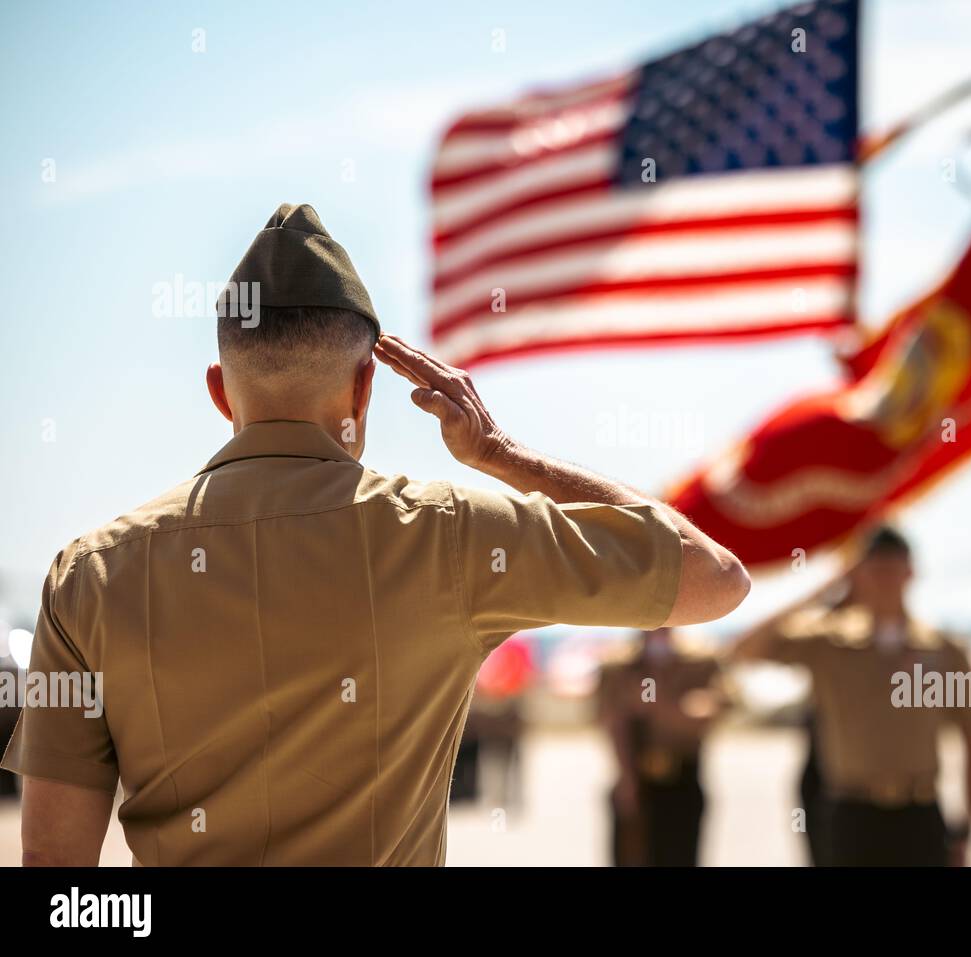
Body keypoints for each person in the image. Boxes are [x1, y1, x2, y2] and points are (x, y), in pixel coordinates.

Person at [0, 203, 749, 866]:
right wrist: (502, 454)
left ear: (220, 390)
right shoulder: (452, 536)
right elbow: (714, 577)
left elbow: (53, 858)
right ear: (365, 386)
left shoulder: (90, 574)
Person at [732, 526, 971, 866]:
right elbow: (745, 650)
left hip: (920, 816)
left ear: (910, 572)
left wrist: (967, 827)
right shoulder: (828, 644)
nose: (882, 579)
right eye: (872, 569)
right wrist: (822, 592)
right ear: (856, 574)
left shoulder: (943, 651)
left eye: (891, 568)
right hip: (851, 817)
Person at [598, 627, 726, 866]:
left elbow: (708, 713)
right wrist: (627, 779)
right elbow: (610, 721)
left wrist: (656, 705)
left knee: (679, 855)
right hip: (635, 778)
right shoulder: (618, 663)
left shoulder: (700, 658)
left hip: (681, 778)